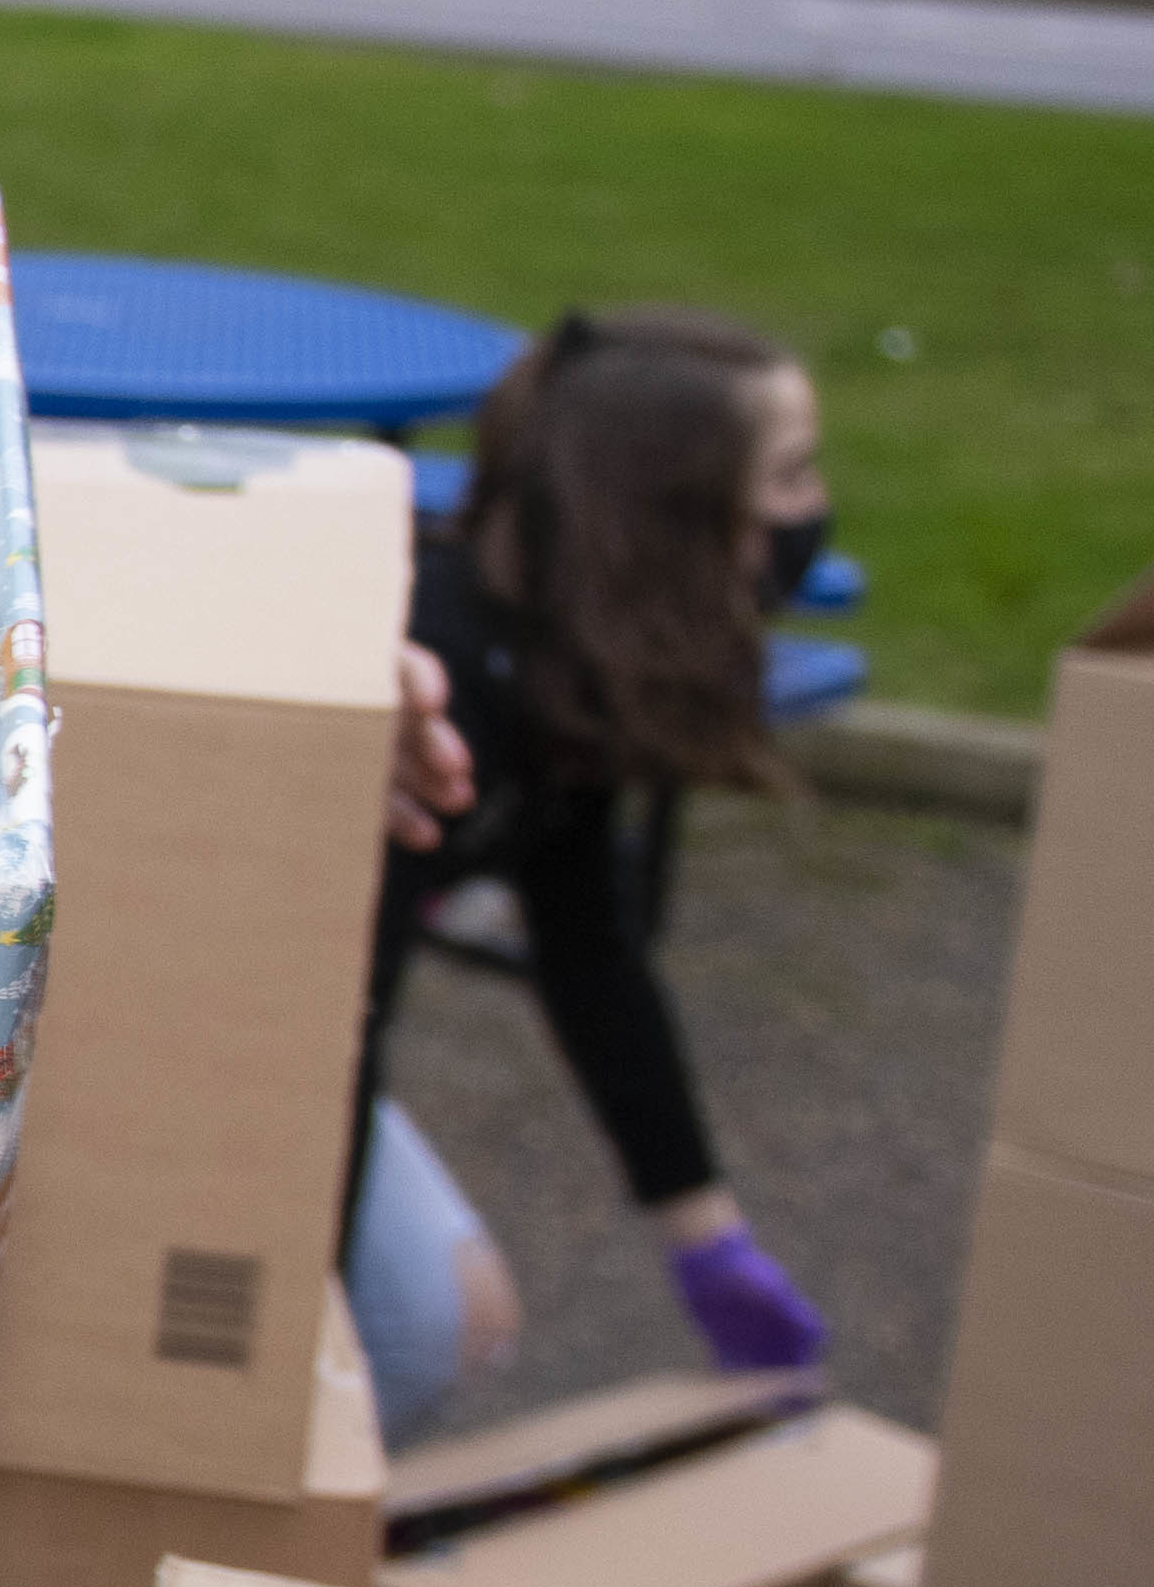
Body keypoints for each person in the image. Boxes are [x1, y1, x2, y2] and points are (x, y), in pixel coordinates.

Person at [358, 306, 841, 1386]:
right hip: (230, 1031)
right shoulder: (427, 703)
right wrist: (286, 1326)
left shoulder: (558, 668)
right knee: (420, 1333)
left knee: (450, 1323)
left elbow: (592, 951)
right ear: (666, 517)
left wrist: (703, 1227)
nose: (817, 515)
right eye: (794, 478)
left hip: (313, 1029)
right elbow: (338, 1032)